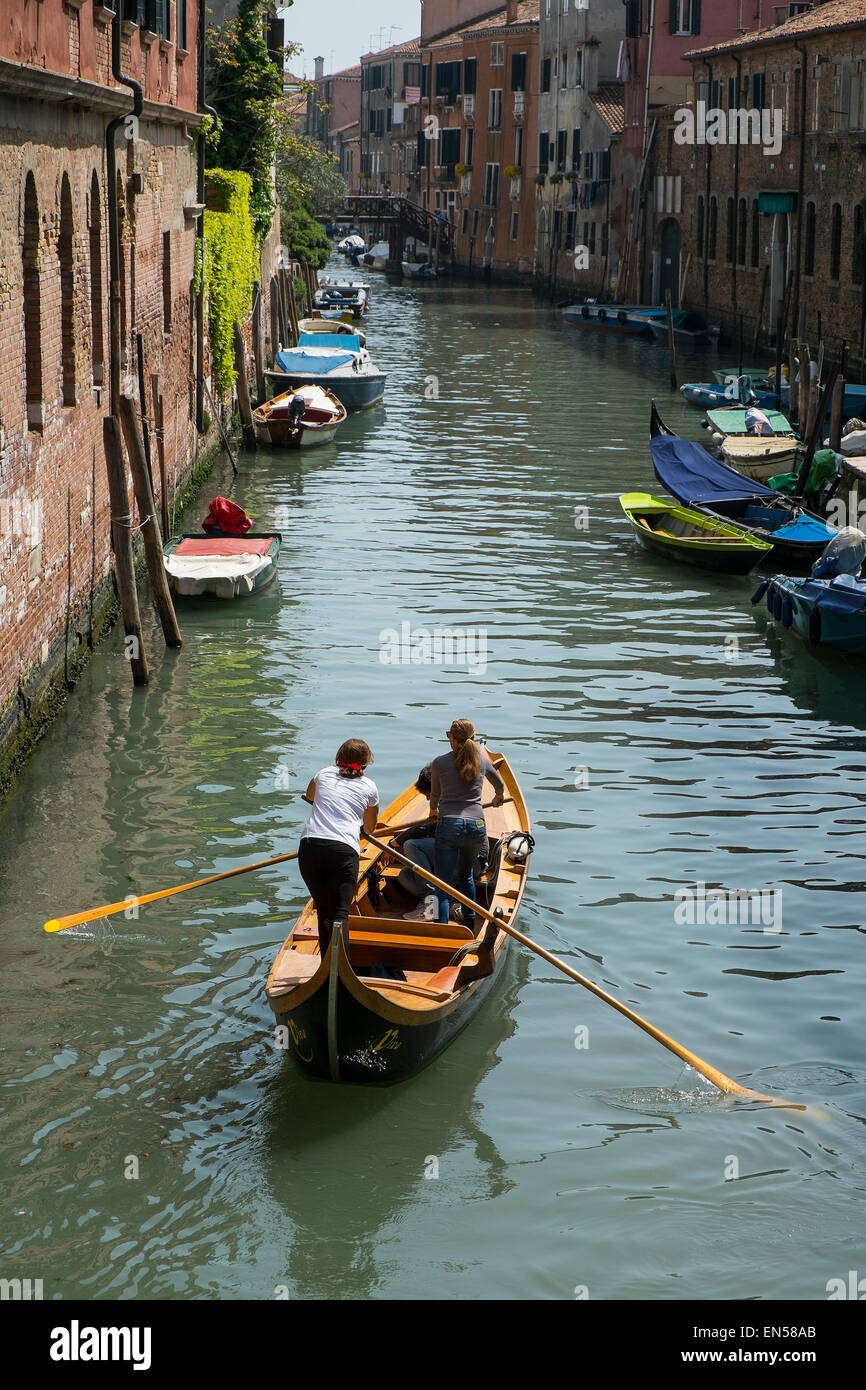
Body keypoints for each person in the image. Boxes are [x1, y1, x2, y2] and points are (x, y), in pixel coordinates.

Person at [298, 739, 379, 953]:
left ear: (338, 758)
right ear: (366, 763)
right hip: (343, 850)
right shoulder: (369, 787)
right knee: (340, 914)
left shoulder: (323, 774)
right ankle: (341, 971)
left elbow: (310, 797)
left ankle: (327, 969)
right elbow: (370, 829)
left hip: (310, 847)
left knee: (324, 911)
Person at [429, 719, 505, 931]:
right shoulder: (482, 760)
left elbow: (434, 794)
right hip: (476, 826)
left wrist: (433, 810)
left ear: (452, 738)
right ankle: (470, 920)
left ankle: (440, 929)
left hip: (450, 825)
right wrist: (499, 797)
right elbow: (499, 785)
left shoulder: (440, 762)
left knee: (442, 882)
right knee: (466, 875)